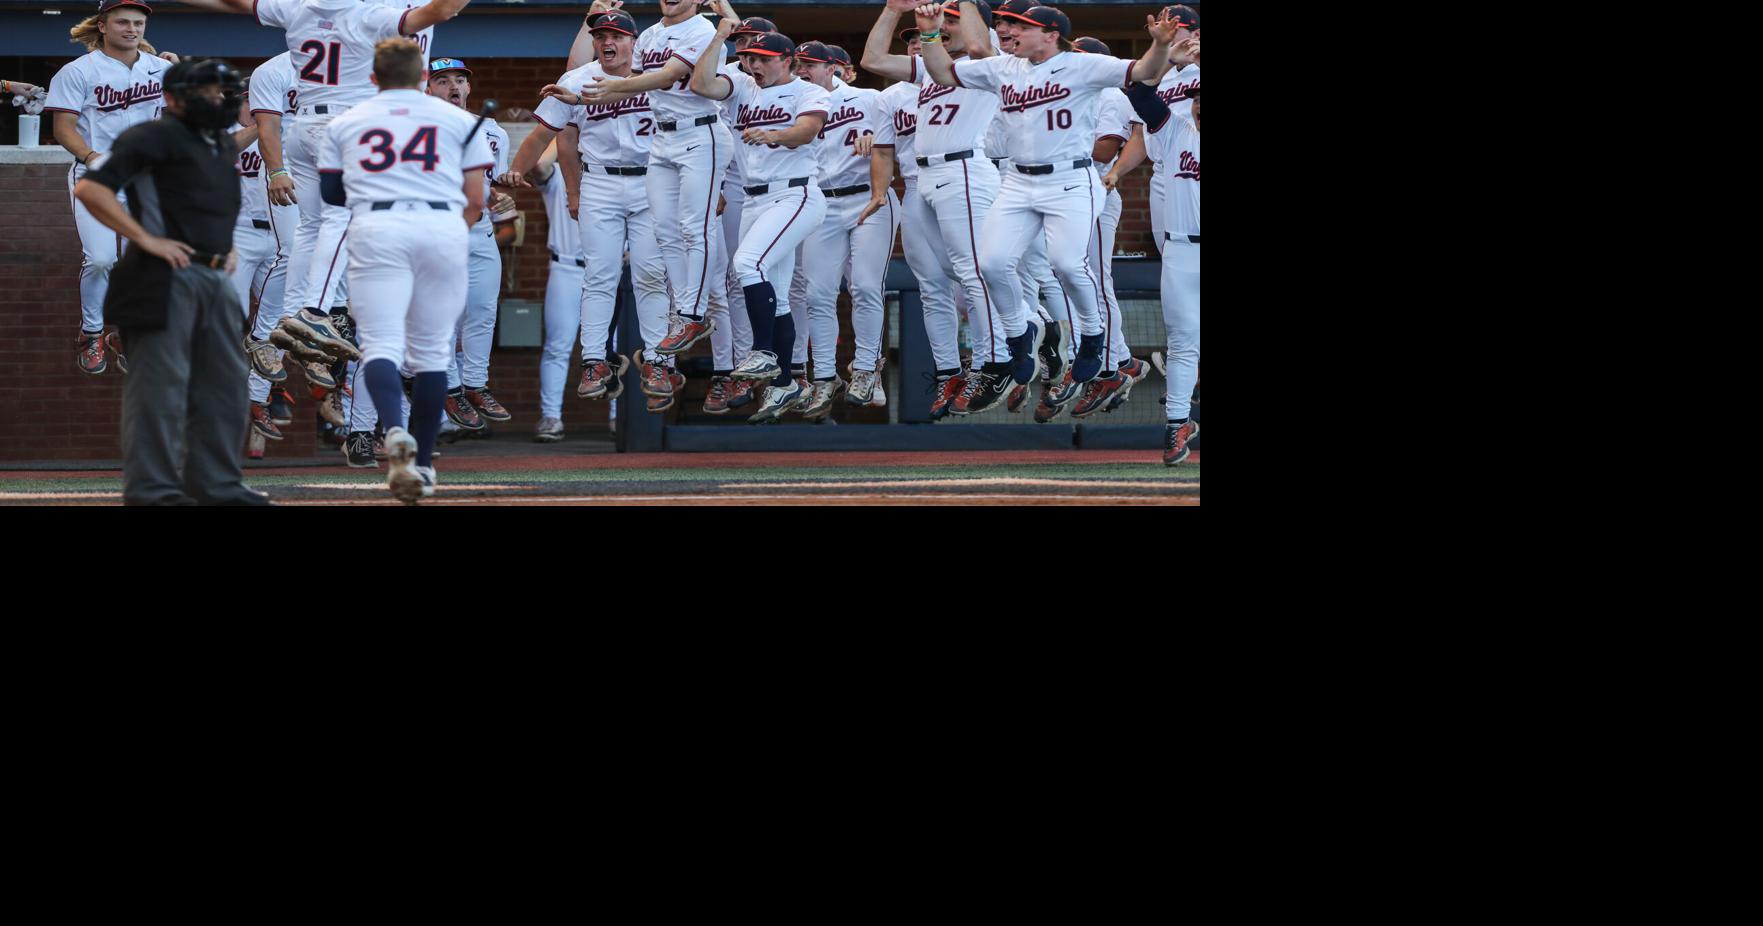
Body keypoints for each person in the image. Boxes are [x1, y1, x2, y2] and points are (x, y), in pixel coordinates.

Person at [918, 2, 1172, 415]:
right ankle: (1018, 335)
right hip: (1018, 181)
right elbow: (943, 73)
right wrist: (930, 34)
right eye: (1008, 25)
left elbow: (1144, 71)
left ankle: (1092, 336)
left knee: (1068, 264)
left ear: (1052, 34)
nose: (1010, 32)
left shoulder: (1082, 65)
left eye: (1022, 26)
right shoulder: (1004, 67)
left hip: (1070, 179)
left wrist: (1159, 45)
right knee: (992, 264)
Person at [74, 58, 269, 505]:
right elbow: (91, 188)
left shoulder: (218, 144)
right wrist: (144, 238)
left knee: (225, 386)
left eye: (221, 91)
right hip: (161, 279)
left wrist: (224, 245)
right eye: (206, 91)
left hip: (215, 278)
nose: (217, 99)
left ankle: (216, 485)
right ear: (173, 98)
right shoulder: (151, 136)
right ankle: (153, 490)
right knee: (160, 391)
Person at [318, 37, 490, 503]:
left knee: (379, 344)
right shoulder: (461, 119)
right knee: (433, 354)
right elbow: (476, 198)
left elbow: (331, 194)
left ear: (373, 77)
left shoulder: (346, 119)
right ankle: (425, 466)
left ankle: (393, 429)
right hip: (441, 225)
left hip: (377, 226)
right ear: (423, 77)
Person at [860, 0, 1008, 421]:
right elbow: (873, 59)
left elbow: (979, 47)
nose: (944, 24)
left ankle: (993, 363)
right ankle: (949, 371)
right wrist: (893, 11)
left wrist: (966, 6)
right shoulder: (932, 65)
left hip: (965, 168)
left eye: (953, 20)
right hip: (923, 179)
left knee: (972, 271)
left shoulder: (988, 59)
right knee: (932, 282)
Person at [523, 8, 674, 413]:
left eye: (617, 36)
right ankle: (594, 361)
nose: (608, 42)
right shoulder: (578, 79)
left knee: (650, 274)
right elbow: (561, 139)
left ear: (633, 41)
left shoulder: (657, 73)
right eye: (600, 35)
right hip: (601, 179)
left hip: (651, 178)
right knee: (599, 275)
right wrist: (571, 190)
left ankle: (657, 361)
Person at [688, 4, 829, 424]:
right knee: (777, 296)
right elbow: (700, 83)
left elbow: (807, 130)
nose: (754, 64)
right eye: (749, 57)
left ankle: (764, 352)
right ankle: (785, 382)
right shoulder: (742, 84)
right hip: (753, 198)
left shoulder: (807, 90)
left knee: (747, 263)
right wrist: (719, 36)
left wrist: (775, 135)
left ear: (788, 60)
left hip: (796, 194)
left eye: (763, 59)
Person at [580, 0, 737, 361]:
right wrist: (578, 97)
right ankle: (684, 312)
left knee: (695, 227)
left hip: (700, 132)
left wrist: (610, 88)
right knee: (665, 230)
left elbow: (667, 76)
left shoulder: (702, 28)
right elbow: (633, 84)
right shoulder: (651, 34)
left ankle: (693, 313)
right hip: (664, 137)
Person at [44, 0, 174, 376]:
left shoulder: (161, 69)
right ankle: (92, 332)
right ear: (102, 26)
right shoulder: (77, 71)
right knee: (102, 259)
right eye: (122, 22)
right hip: (96, 177)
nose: (132, 29)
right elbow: (62, 128)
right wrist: (90, 155)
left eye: (138, 23)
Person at [786, 40, 895, 419]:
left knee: (865, 286)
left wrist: (878, 140)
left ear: (832, 67)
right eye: (798, 64)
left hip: (868, 197)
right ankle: (824, 376)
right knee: (817, 293)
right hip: (821, 202)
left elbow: (900, 141)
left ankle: (866, 370)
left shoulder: (868, 98)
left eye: (810, 64)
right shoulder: (791, 102)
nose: (802, 70)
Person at [424, 57, 514, 430]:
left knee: (483, 310)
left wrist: (501, 196)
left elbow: (491, 185)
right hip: (437, 228)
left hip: (480, 229)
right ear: (428, 88)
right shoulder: (418, 128)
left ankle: (476, 384)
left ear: (469, 87)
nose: (454, 86)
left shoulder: (492, 131)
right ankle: (450, 387)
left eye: (460, 80)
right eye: (443, 80)